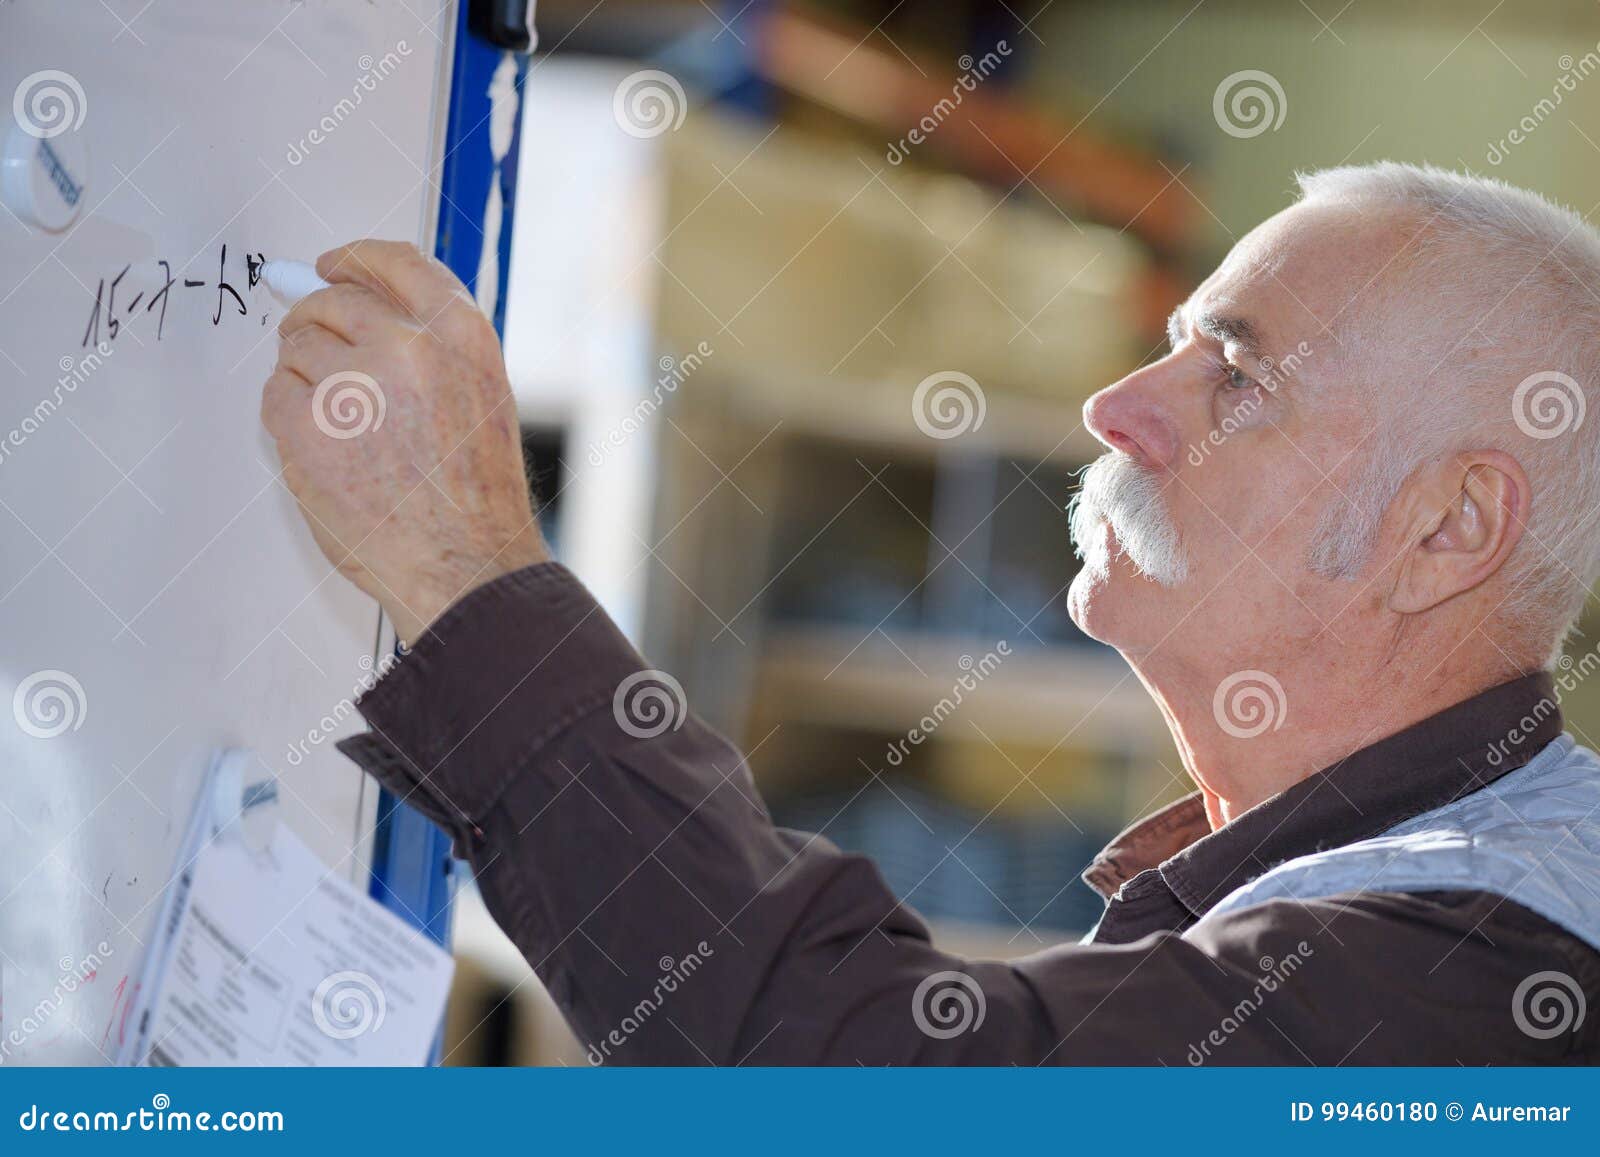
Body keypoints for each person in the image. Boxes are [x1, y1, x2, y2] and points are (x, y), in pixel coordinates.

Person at [261, 162, 1600, 1064]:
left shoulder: (1480, 975)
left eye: (1236, 376)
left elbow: (858, 1072)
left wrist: (468, 568)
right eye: (1178, 342)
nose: (1117, 407)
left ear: (1447, 529)